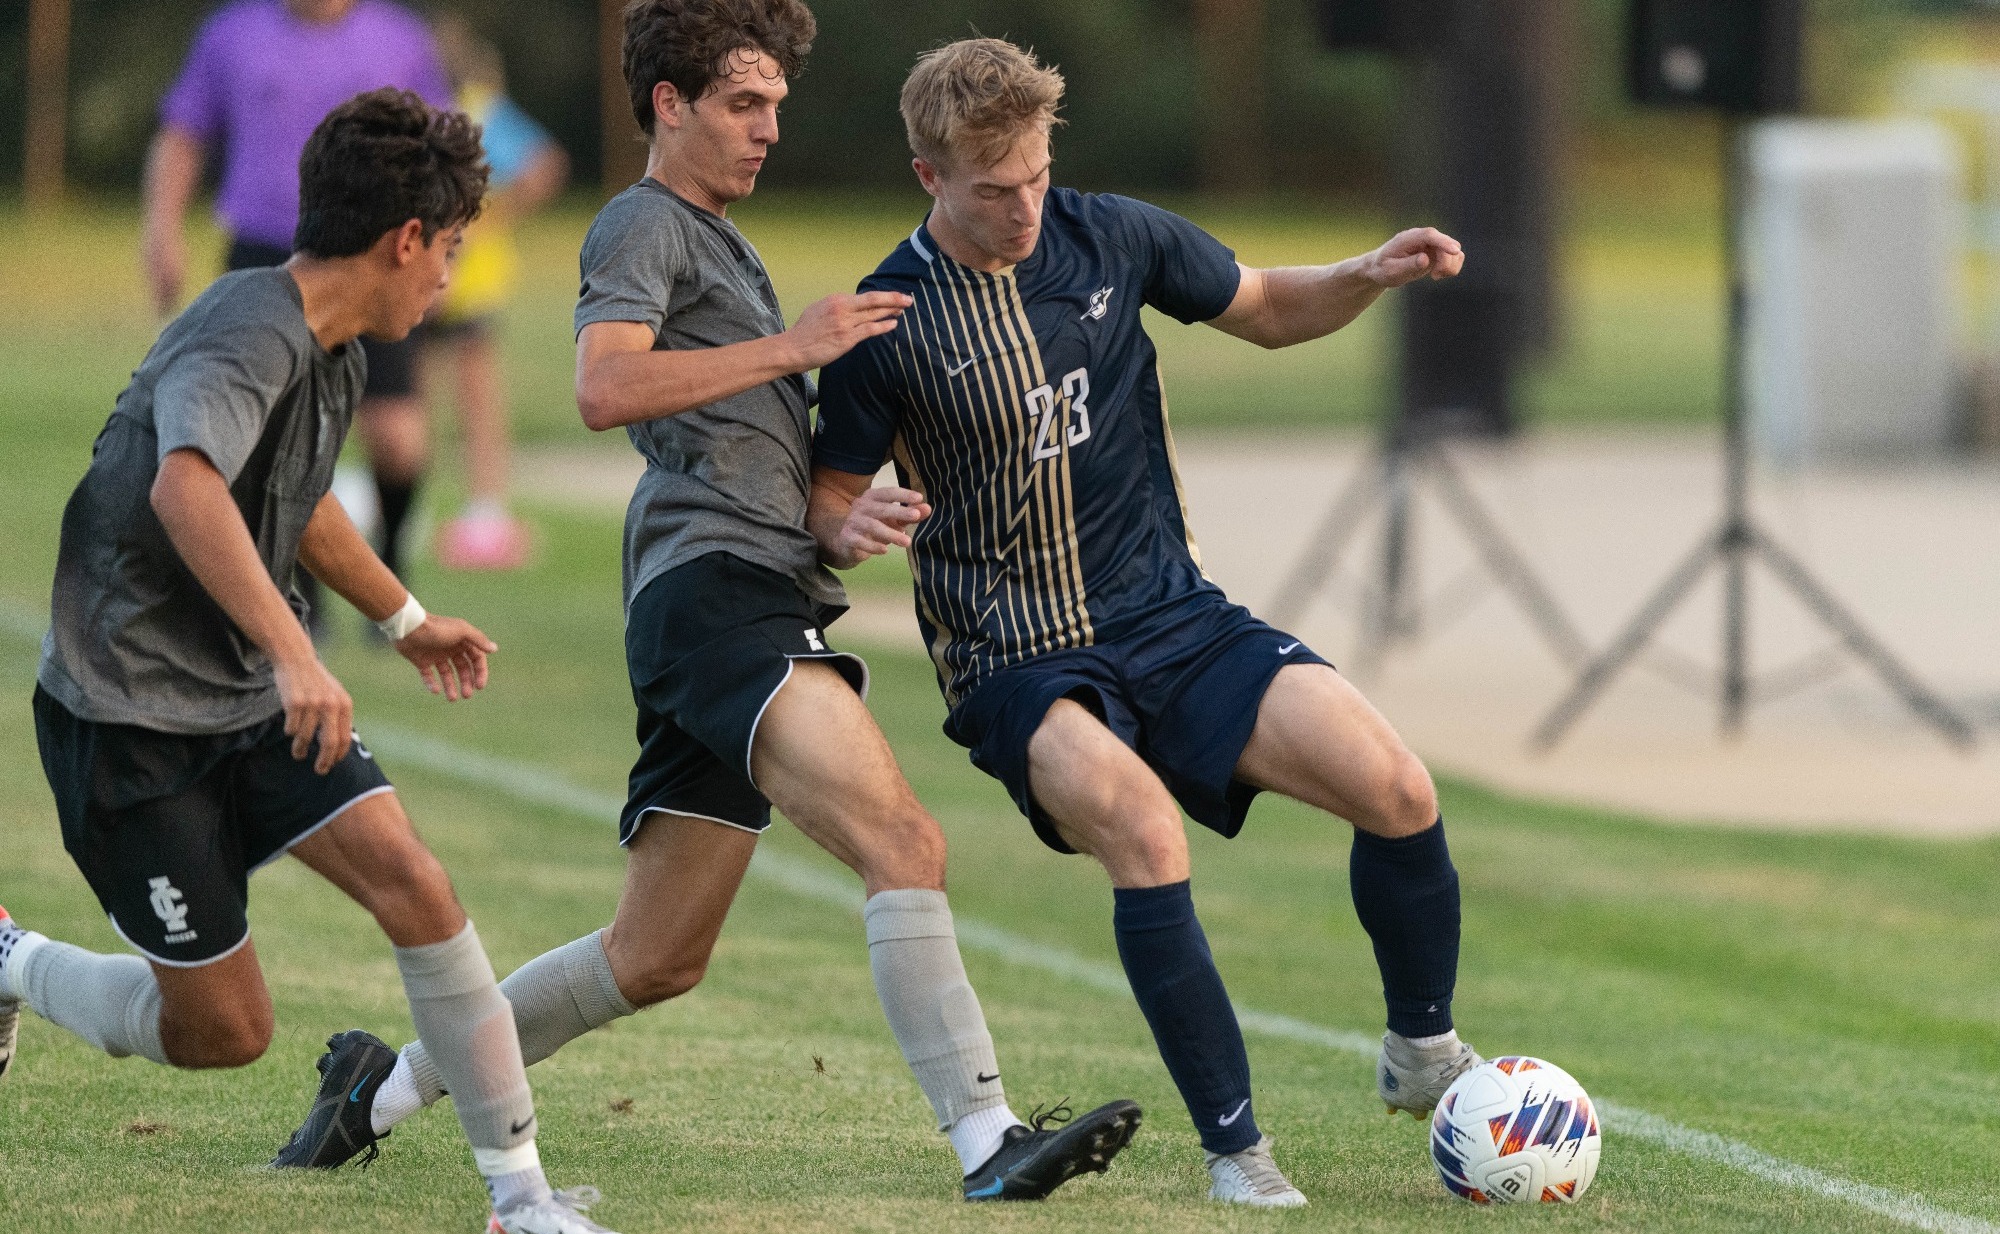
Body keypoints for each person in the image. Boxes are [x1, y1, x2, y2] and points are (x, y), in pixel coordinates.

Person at [278, 0, 1140, 1204]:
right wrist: (795, 349)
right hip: (714, 598)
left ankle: (372, 1092)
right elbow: (602, 384)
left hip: (738, 583)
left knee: (654, 957)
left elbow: (720, 441)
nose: (767, 129)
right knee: (905, 841)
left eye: (775, 105)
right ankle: (987, 1138)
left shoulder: (719, 241)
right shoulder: (642, 222)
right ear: (667, 105)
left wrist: (837, 520)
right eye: (744, 104)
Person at [808, 38, 1481, 1209]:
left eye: (1032, 175)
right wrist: (847, 515)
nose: (1022, 206)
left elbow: (1265, 307)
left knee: (1396, 785)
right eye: (989, 189)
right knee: (1143, 831)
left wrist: (1365, 271)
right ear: (929, 177)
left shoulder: (1112, 233)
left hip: (1169, 614)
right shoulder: (886, 321)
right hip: (1012, 656)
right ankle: (1236, 1153)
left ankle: (1421, 1051)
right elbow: (823, 493)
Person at [0, 90, 614, 1234]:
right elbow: (189, 484)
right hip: (127, 717)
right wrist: (298, 654)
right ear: (404, 242)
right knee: (224, 1033)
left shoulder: (332, 349)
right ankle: (11, 959)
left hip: (243, 694)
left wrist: (400, 615)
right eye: (451, 250)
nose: (449, 279)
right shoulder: (248, 328)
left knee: (415, 884)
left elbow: (293, 507)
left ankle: (520, 1201)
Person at [143, 0, 452, 608]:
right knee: (269, 441)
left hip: (375, 259)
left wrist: (442, 257)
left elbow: (442, 151)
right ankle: (297, 594)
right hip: (265, 255)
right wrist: (161, 231)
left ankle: (388, 559)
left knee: (397, 438)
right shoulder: (234, 32)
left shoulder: (398, 38)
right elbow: (182, 136)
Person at [428, 17, 570, 572]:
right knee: (472, 402)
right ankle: (483, 510)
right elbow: (544, 167)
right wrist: (494, 216)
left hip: (437, 278)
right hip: (470, 281)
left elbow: (543, 168)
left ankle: (442, 510)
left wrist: (487, 217)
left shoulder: (455, 111)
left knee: (418, 401)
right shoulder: (480, 111)